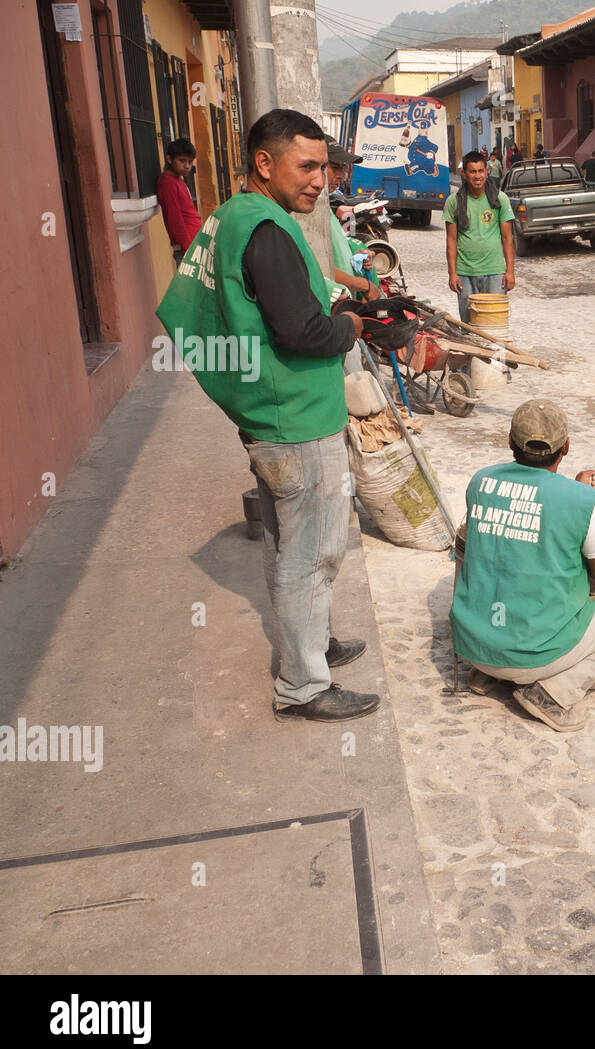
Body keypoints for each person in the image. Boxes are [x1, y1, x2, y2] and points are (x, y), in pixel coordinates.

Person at [156, 109, 376, 723]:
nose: (319, 181)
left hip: (268, 415)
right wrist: (348, 325)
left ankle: (317, 644)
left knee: (288, 544)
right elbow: (303, 329)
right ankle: (304, 685)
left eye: (322, 168)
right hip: (297, 421)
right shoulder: (268, 230)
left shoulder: (231, 214)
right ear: (264, 163)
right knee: (313, 552)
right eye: (305, 167)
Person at [451, 399, 595, 732]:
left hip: (473, 645)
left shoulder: (480, 481)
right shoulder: (581, 500)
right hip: (532, 655)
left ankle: (488, 675)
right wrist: (582, 496)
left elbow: (522, 516)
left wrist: (572, 491)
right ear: (566, 446)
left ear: (510, 442)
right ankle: (554, 693)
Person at [444, 150, 516, 324]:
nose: (477, 176)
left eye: (480, 171)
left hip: (495, 272)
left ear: (487, 171)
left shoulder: (500, 199)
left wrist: (510, 272)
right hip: (465, 273)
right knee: (469, 326)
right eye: (472, 171)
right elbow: (451, 240)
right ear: (464, 173)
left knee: (495, 323)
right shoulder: (454, 201)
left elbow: (507, 238)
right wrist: (452, 273)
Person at [325, 137, 382, 301]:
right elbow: (315, 268)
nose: (341, 176)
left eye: (343, 169)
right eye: (335, 168)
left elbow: (337, 242)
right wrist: (363, 285)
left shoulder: (324, 207)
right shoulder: (305, 213)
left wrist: (355, 253)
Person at [157, 138, 202, 263]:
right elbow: (174, 220)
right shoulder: (168, 183)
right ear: (170, 159)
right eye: (182, 161)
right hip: (187, 249)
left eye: (190, 161)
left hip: (193, 245)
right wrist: (189, 251)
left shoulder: (178, 179)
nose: (187, 166)